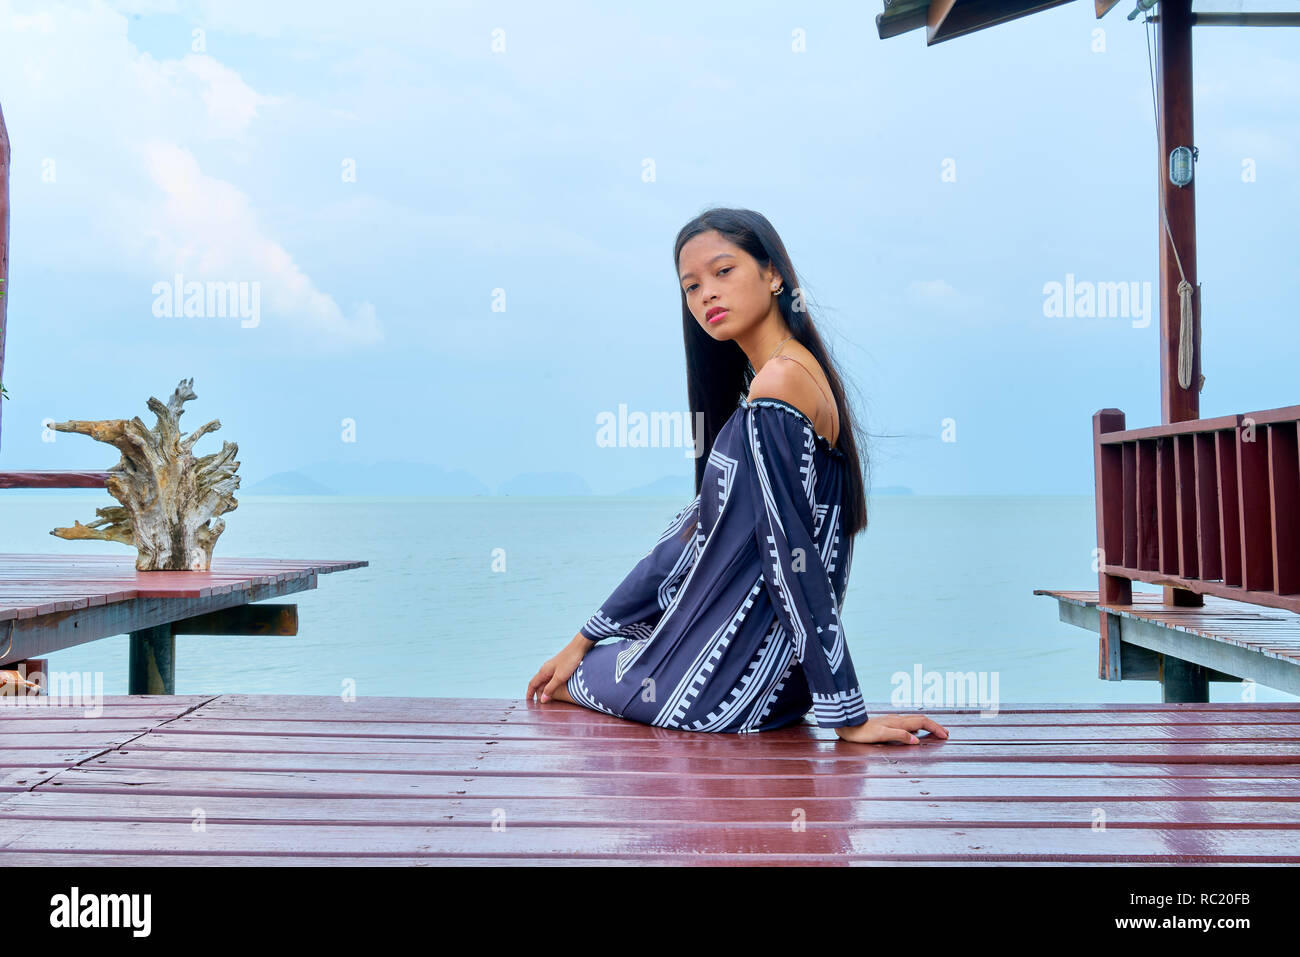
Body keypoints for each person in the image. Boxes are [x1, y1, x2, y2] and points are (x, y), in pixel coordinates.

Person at [526, 208, 948, 746]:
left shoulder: (778, 387)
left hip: (723, 693)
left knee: (565, 684)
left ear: (773, 274)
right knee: (598, 655)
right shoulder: (788, 376)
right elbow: (694, 537)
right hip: (777, 689)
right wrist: (587, 635)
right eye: (692, 285)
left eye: (723, 272)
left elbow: (791, 557)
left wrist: (848, 715)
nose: (707, 295)